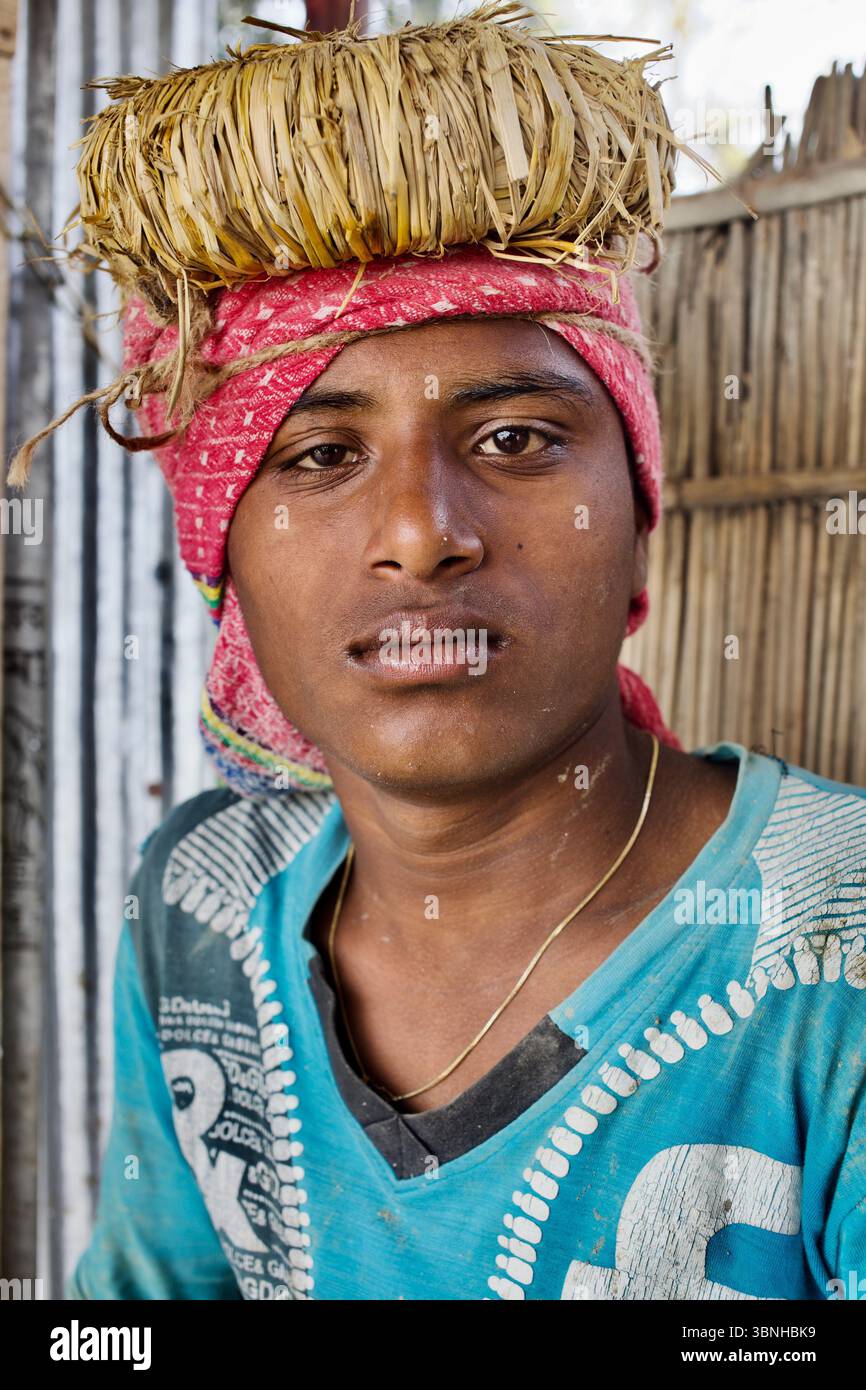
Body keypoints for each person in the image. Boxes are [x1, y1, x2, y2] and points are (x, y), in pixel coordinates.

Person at [11, 4, 864, 1302]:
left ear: (641, 516)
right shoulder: (196, 907)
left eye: (516, 438)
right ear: (221, 558)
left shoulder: (830, 958)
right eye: (319, 455)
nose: (421, 533)